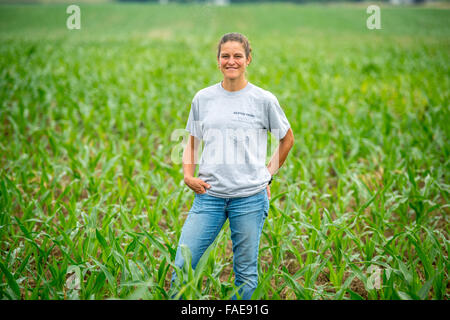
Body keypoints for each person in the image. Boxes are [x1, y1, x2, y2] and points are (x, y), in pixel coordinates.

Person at [171, 32, 294, 300]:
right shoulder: (203, 98)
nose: (231, 61)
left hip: (249, 198)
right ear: (218, 61)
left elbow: (287, 139)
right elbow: (191, 143)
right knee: (182, 264)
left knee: (246, 273)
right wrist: (187, 175)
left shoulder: (263, 100)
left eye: (237, 55)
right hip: (209, 196)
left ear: (248, 59)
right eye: (225, 56)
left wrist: (268, 174)